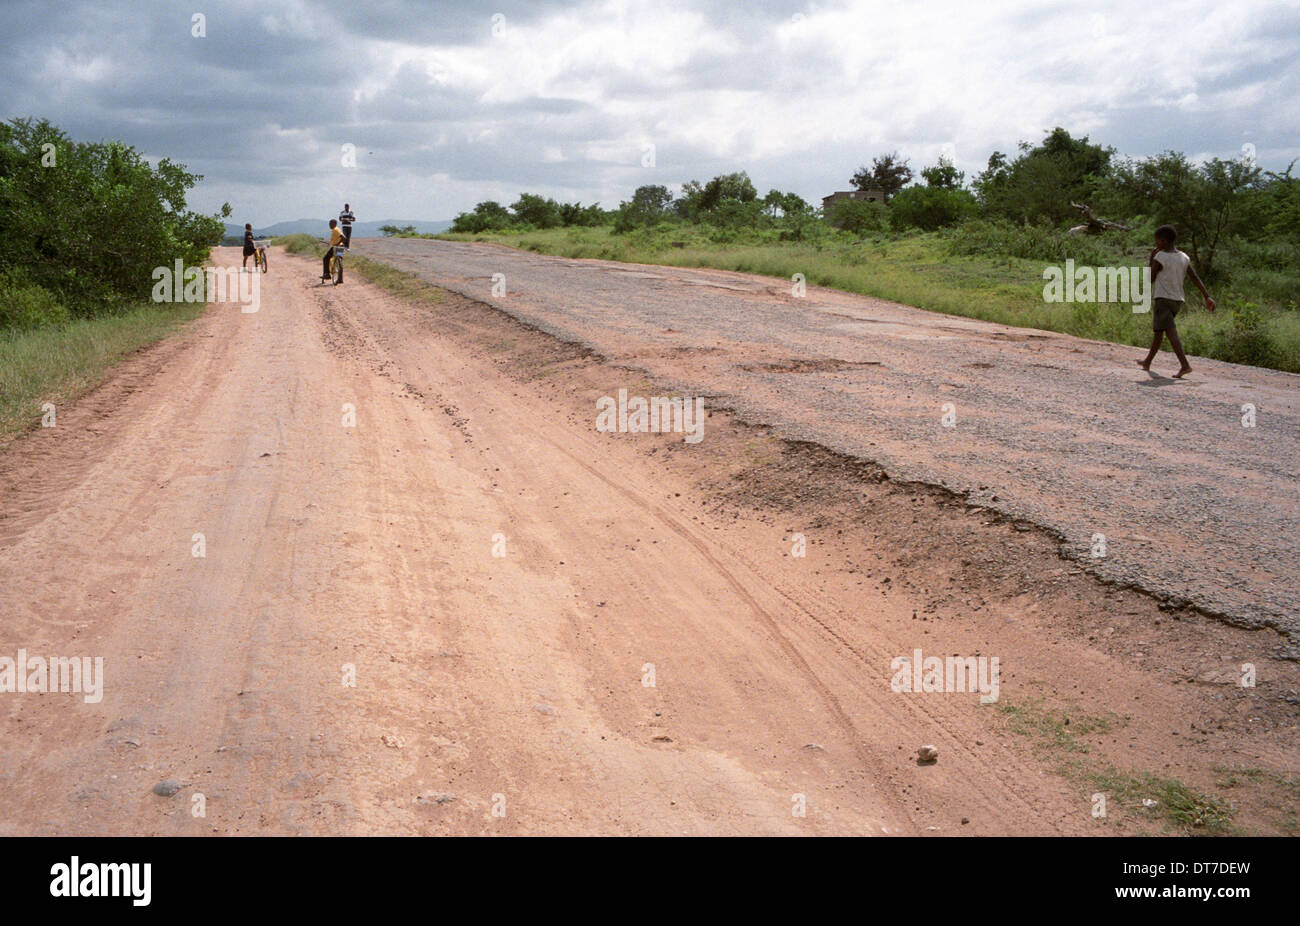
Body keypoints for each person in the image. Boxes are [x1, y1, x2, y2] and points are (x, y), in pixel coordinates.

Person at [1137, 224, 1215, 378]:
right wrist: (1207, 296)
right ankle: (1147, 362)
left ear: (1164, 241)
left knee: (1171, 333)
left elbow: (1150, 279)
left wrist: (1151, 258)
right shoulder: (1184, 257)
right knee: (1159, 332)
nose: (1156, 244)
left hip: (1163, 299)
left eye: (1157, 241)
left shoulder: (1160, 256)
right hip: (1177, 300)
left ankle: (1185, 365)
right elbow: (1194, 277)